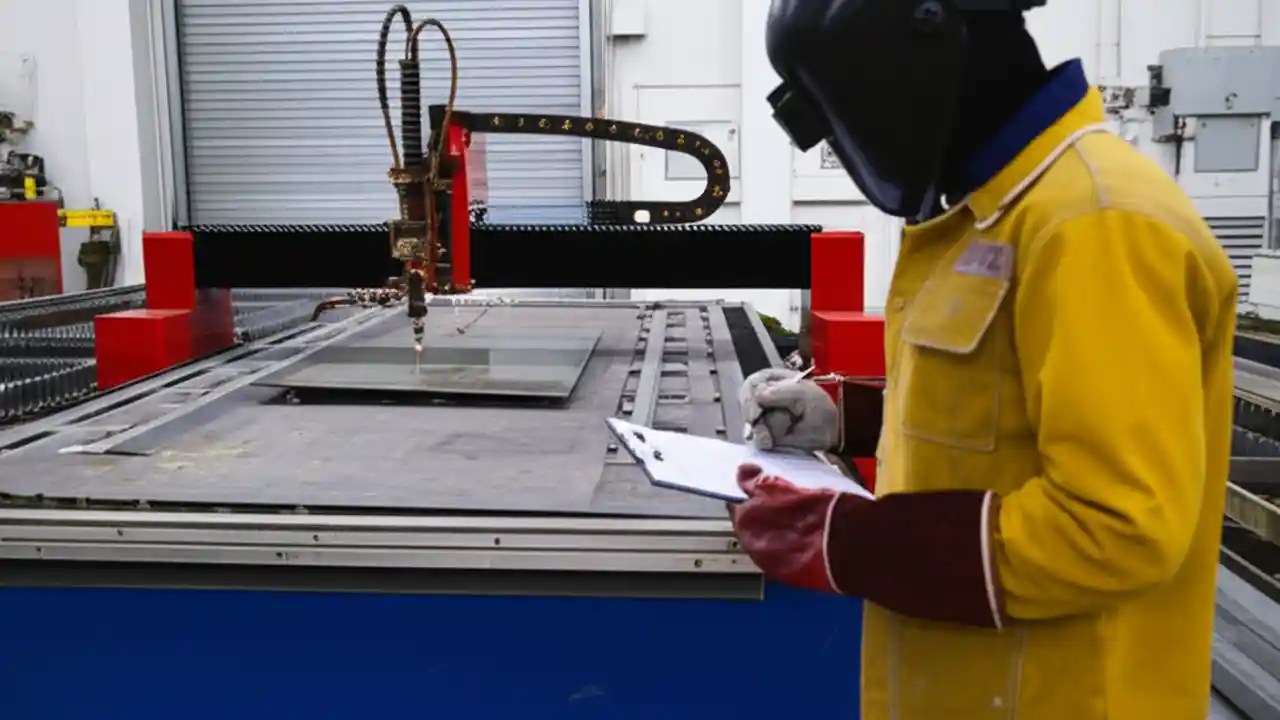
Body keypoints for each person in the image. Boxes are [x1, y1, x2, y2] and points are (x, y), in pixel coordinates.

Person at [732, 2, 1239, 718]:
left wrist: (849, 542)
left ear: (920, 54)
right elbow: (1005, 412)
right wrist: (844, 417)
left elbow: (1117, 526)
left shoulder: (1097, 223)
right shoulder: (996, 211)